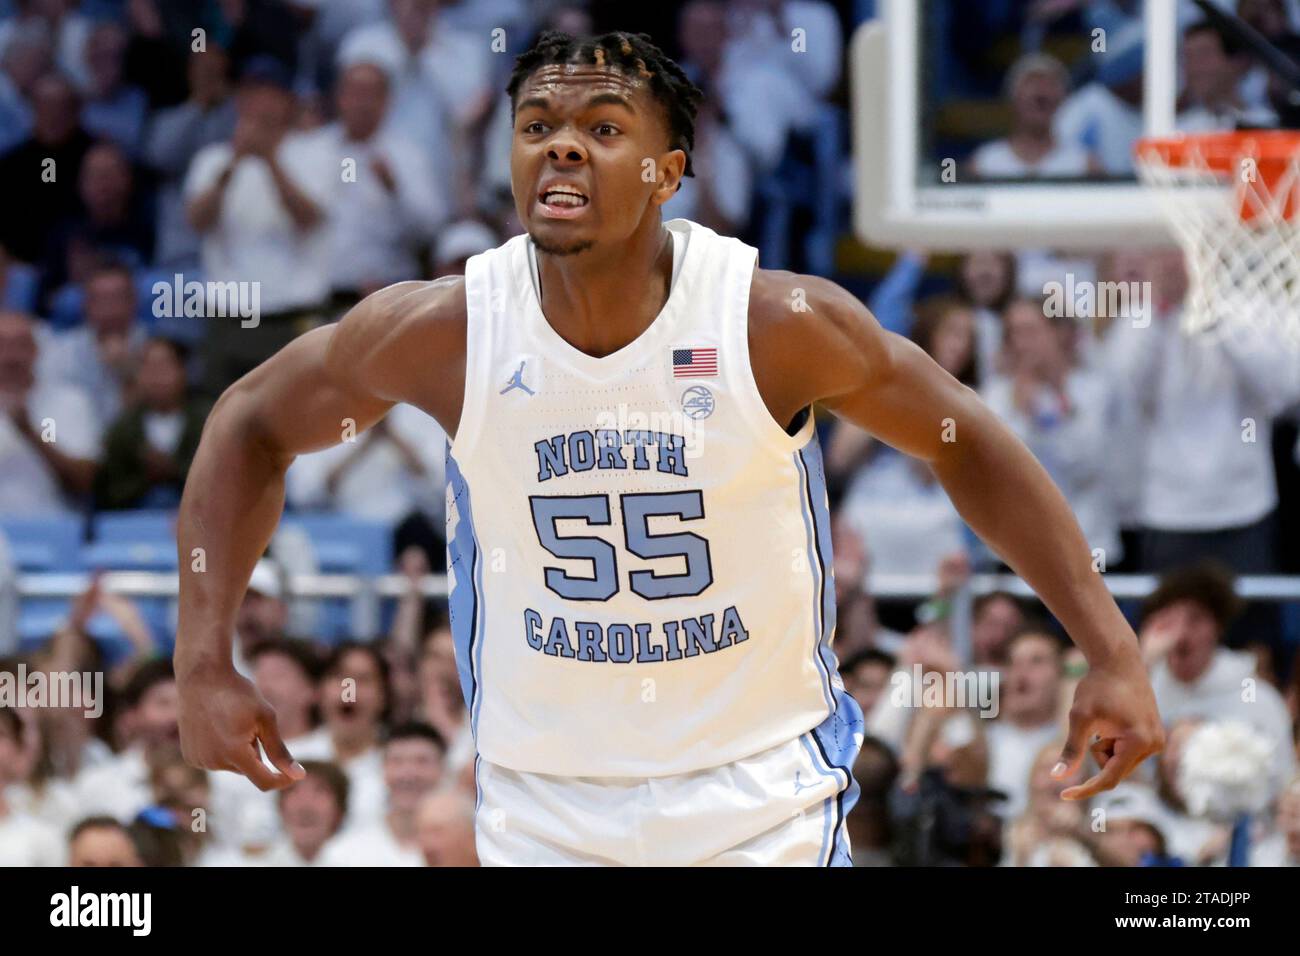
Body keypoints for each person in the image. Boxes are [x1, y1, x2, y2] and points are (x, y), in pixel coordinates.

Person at [175, 30, 1164, 867]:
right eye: (537, 128)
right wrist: (201, 656)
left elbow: (969, 441)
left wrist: (1111, 647)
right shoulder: (447, 330)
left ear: (667, 172)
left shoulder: (774, 321)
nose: (561, 149)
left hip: (759, 798)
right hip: (540, 805)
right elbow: (249, 423)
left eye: (601, 129)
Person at [317, 722, 445, 866]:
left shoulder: (467, 846)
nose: (408, 773)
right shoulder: (343, 853)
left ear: (443, 770)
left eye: (422, 761)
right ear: (382, 770)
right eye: (397, 761)